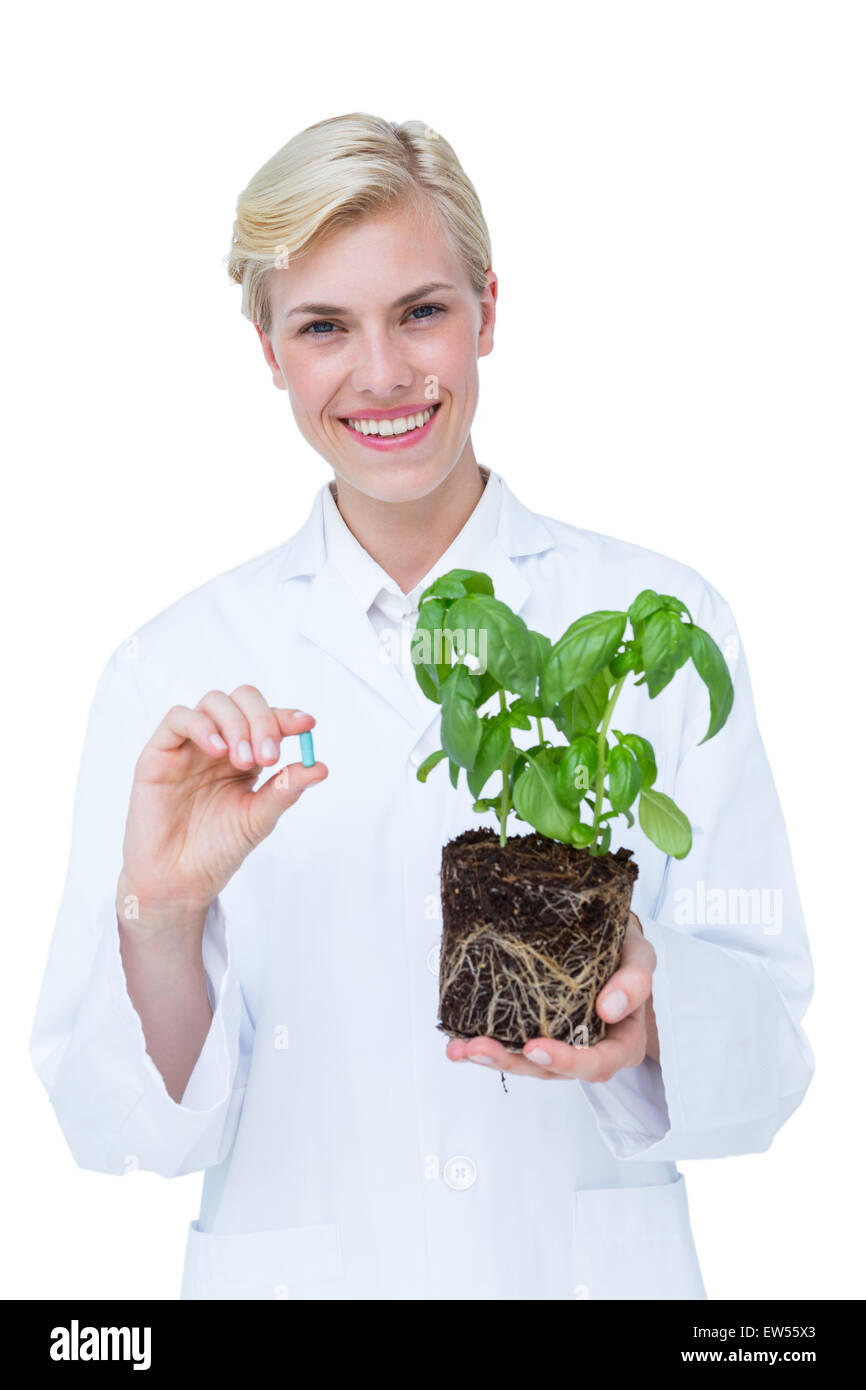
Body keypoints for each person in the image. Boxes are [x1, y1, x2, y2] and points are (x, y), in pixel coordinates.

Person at [29, 112, 815, 1301]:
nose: (383, 374)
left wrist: (648, 1011)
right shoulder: (174, 668)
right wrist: (163, 914)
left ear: (489, 310)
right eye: (323, 327)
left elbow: (772, 1055)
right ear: (268, 349)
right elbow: (119, 1128)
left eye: (422, 311)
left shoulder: (655, 617)